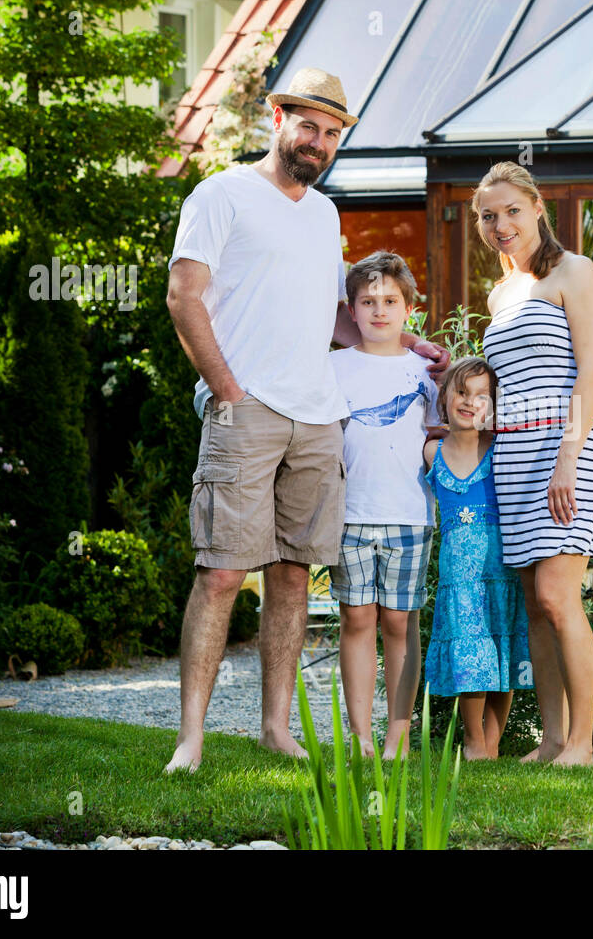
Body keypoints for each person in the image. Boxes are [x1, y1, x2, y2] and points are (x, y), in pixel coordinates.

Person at [163, 68, 447, 774]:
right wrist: (226, 389)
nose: (319, 142)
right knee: (224, 573)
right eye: (309, 126)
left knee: (293, 578)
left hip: (319, 417)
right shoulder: (222, 193)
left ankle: (274, 729)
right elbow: (183, 296)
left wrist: (406, 342)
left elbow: (331, 316)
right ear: (278, 117)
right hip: (247, 408)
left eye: (332, 133)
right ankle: (190, 740)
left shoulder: (323, 215)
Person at [474, 162, 593, 767]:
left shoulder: (575, 272)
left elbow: (592, 369)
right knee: (534, 602)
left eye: (512, 210)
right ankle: (551, 739)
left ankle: (584, 744)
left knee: (557, 593)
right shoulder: (500, 292)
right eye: (489, 216)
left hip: (572, 444)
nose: (501, 224)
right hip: (515, 451)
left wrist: (569, 455)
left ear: (538, 207)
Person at [329, 251, 443, 759]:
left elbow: (445, 437)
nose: (379, 310)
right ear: (350, 310)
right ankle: (359, 737)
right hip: (349, 514)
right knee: (356, 619)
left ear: (408, 308)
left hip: (409, 514)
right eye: (367, 301)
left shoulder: (427, 371)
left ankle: (398, 733)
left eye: (390, 301)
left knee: (399, 622)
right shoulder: (333, 366)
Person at [423, 357, 533, 760]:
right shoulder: (432, 451)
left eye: (481, 397)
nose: (470, 403)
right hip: (461, 579)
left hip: (500, 571)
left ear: (493, 406)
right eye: (462, 392)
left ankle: (492, 741)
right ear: (446, 395)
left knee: (500, 650)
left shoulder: (499, 449)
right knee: (470, 653)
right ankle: (472, 740)